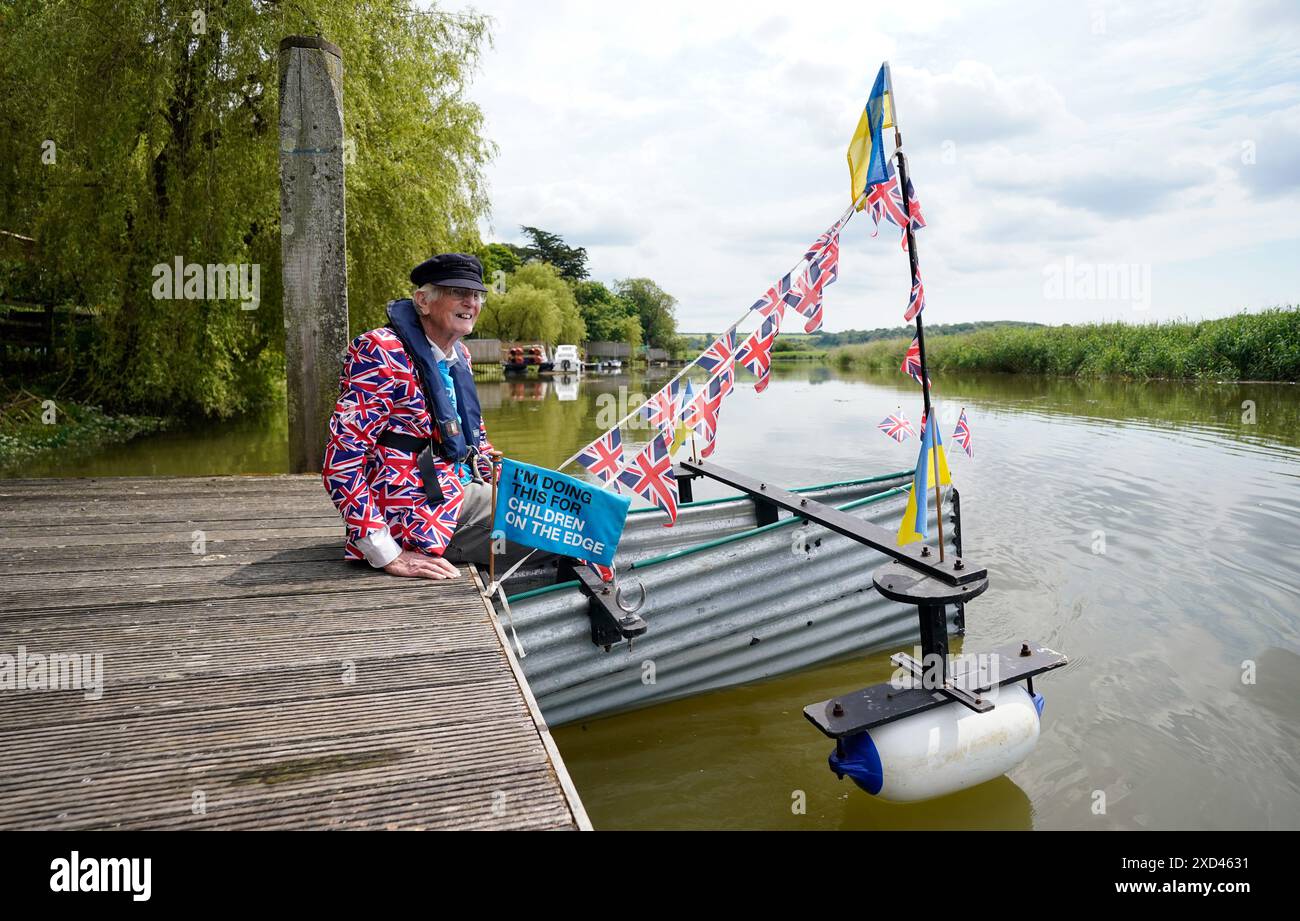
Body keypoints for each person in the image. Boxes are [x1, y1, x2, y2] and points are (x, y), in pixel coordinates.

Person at [322, 253, 533, 580]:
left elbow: (476, 444)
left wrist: (524, 483)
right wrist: (385, 552)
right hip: (417, 510)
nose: (470, 301)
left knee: (561, 503)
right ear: (423, 301)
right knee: (558, 525)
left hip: (460, 486)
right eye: (457, 292)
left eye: (476, 295)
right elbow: (341, 459)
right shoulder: (380, 350)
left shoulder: (459, 354)